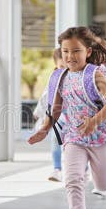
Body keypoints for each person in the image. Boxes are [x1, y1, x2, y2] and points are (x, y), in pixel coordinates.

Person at [28, 26, 106, 209]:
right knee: (72, 179)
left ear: (88, 51)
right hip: (74, 136)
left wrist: (94, 121)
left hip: (100, 136)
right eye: (65, 51)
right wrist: (44, 129)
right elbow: (56, 108)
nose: (70, 56)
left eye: (76, 51)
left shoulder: (95, 74)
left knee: (103, 185)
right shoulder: (59, 76)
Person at [33, 48, 65, 182]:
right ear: (56, 65)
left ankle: (83, 168)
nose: (65, 69)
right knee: (55, 140)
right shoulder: (54, 78)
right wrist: (38, 112)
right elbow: (45, 97)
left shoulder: (77, 77)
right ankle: (57, 169)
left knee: (76, 146)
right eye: (61, 66)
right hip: (59, 117)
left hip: (75, 118)